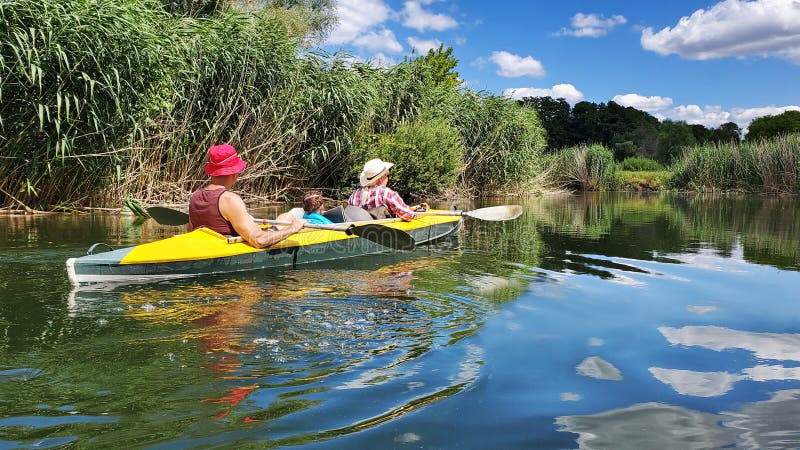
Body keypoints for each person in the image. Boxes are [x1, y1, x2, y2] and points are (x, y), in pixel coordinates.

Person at [188, 144, 305, 247]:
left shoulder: (195, 196)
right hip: (228, 249)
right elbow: (259, 241)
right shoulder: (229, 199)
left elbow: (190, 231)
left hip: (207, 247)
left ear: (212, 172)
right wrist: (293, 229)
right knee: (289, 221)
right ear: (234, 173)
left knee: (286, 217)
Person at [348, 158, 416, 221]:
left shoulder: (354, 194)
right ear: (381, 178)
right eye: (388, 175)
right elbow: (408, 214)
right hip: (383, 231)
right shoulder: (386, 193)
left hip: (360, 230)